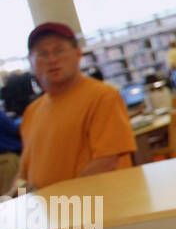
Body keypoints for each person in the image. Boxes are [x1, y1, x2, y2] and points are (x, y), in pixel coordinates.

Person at [14, 23, 136, 191]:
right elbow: (24, 175)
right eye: (42, 54)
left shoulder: (102, 96)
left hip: (96, 209)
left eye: (59, 50)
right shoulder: (32, 112)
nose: (52, 59)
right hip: (50, 212)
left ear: (78, 54)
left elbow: (107, 162)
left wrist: (62, 204)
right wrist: (16, 204)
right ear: (31, 62)